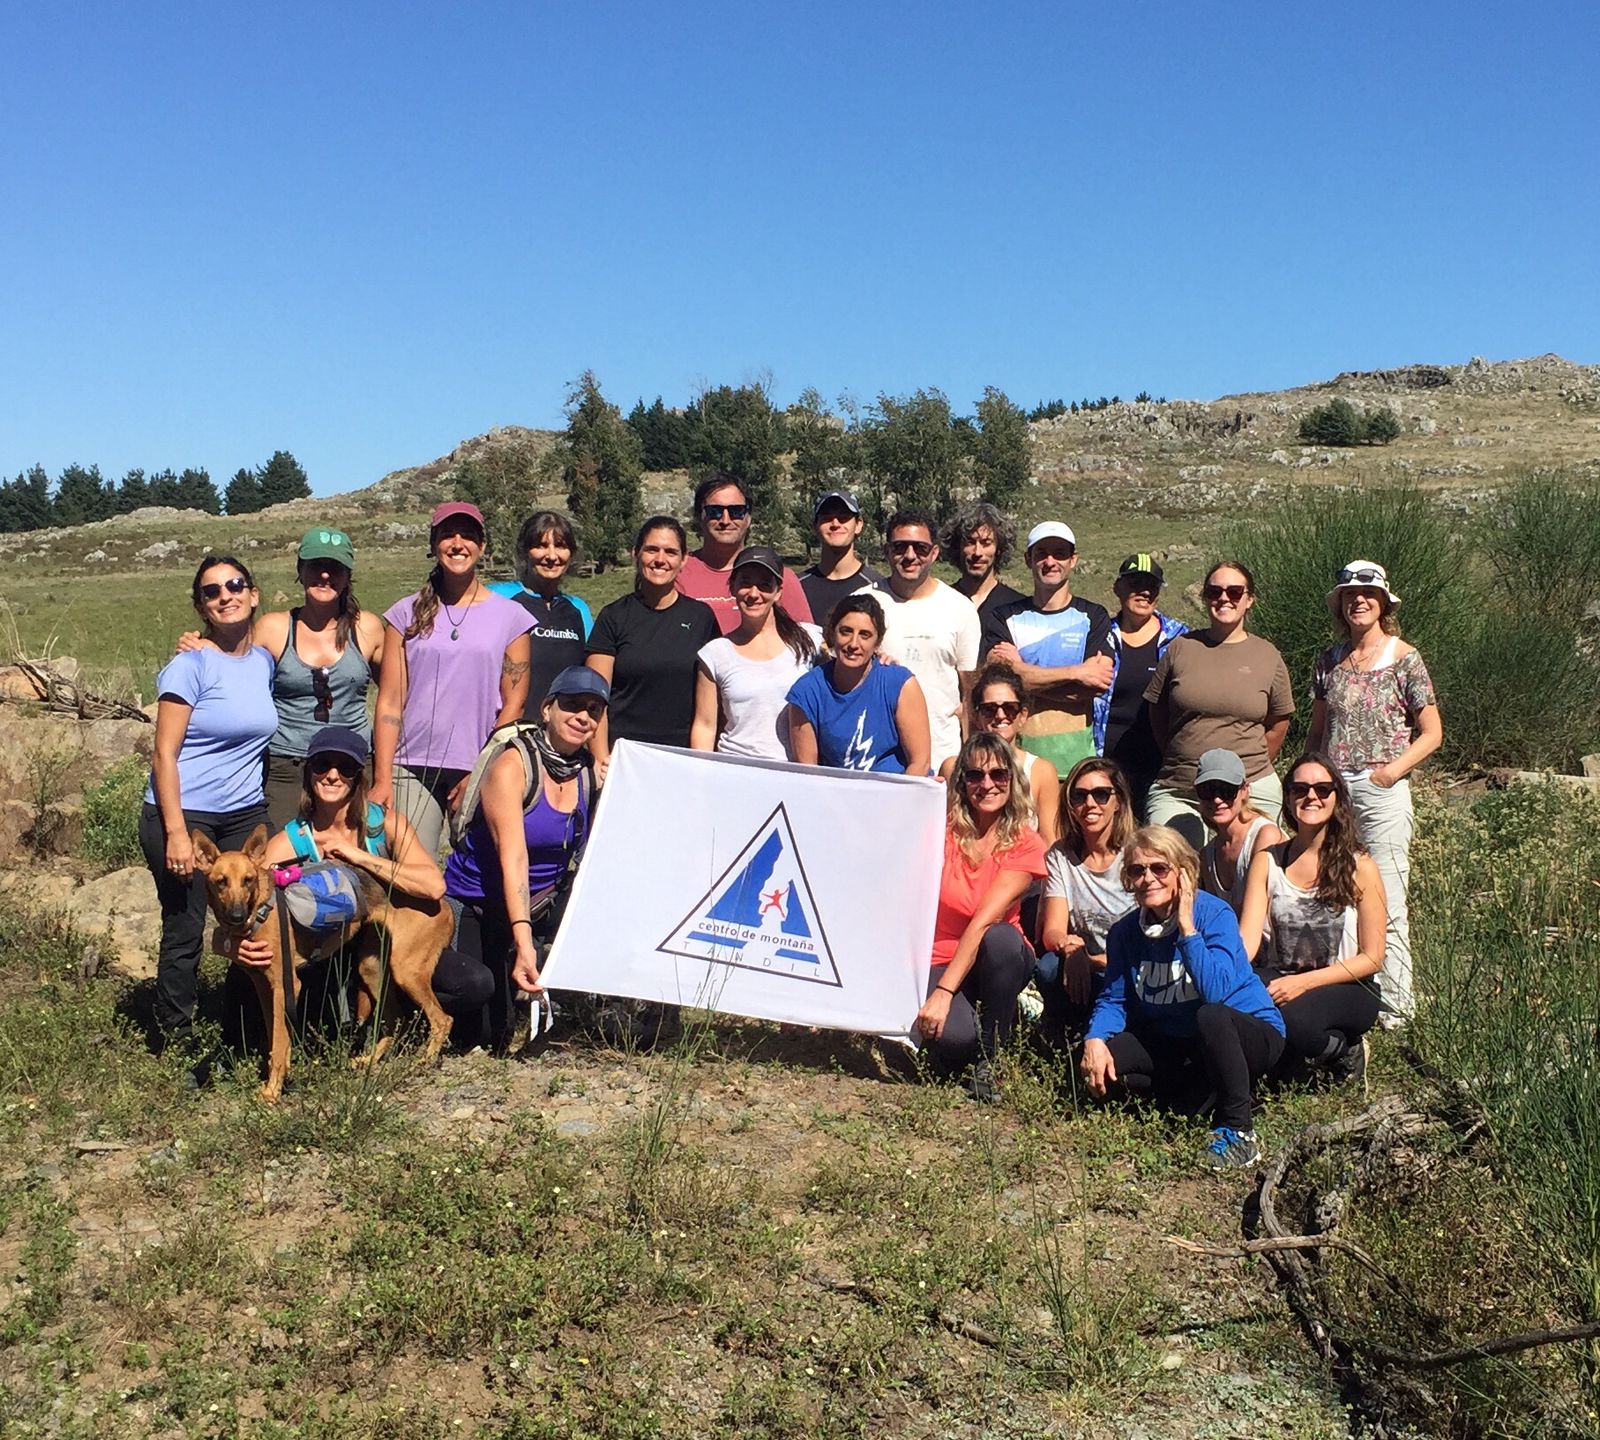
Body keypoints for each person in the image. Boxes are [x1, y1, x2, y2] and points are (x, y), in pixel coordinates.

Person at [238, 725, 494, 1036]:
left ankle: (402, 1015)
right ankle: (370, 1024)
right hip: (335, 952)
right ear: (309, 774)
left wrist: (360, 857)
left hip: (402, 936)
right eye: (322, 765)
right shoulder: (294, 838)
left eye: (345, 768)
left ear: (359, 778)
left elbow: (434, 886)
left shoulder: (384, 824)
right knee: (253, 982)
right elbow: (248, 895)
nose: (333, 775)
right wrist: (236, 945)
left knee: (473, 984)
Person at [1081, 826, 1286, 1168]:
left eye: (1159, 868)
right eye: (1137, 870)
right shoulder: (1124, 933)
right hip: (1180, 1040)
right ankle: (1198, 1095)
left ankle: (1239, 1131)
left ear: (1183, 872)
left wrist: (1188, 930)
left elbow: (1216, 993)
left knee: (1212, 1017)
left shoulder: (1214, 915)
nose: (1148, 878)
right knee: (1106, 1066)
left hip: (1247, 1032)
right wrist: (1095, 1039)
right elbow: (1114, 1000)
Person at [140, 556, 278, 1048]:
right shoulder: (189, 664)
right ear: (201, 605)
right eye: (211, 591)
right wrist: (177, 832)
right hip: (185, 813)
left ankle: (241, 1029)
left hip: (243, 813)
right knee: (186, 927)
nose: (226, 595)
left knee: (254, 917)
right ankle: (177, 1042)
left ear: (254, 593)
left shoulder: (262, 661)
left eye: (235, 585)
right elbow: (164, 752)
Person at [175, 526, 385, 828]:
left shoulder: (368, 628)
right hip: (288, 766)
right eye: (315, 567)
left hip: (351, 764)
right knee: (281, 861)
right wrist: (200, 643)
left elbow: (393, 700)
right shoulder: (273, 629)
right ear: (300, 570)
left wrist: (383, 776)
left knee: (355, 856)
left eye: (334, 568)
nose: (324, 576)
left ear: (348, 574)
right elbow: (233, 658)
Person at [1306, 560, 1440, 1026]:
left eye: (1367, 595)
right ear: (1340, 604)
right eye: (1349, 595)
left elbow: (1431, 732)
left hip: (1381, 793)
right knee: (1336, 891)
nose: (1358, 601)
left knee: (1386, 895)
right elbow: (1317, 731)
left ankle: (1398, 1007)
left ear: (1383, 603)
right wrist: (1308, 777)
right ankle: (1350, 997)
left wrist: (1390, 773)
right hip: (1332, 790)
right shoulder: (1329, 661)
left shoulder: (1404, 658)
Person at [443, 667, 605, 1050]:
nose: (582, 716)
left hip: (539, 904)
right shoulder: (511, 767)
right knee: (484, 1030)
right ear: (547, 709)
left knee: (506, 1031)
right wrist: (525, 940)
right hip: (479, 905)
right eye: (572, 705)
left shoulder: (588, 774)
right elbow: (513, 858)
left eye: (594, 710)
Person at [373, 502, 532, 856]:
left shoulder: (512, 618)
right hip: (411, 764)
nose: (458, 543)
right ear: (433, 544)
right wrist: (382, 778)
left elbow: (514, 704)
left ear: (482, 546)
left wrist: (480, 770)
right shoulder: (405, 614)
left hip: (480, 764)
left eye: (468, 536)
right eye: (448, 535)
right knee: (413, 875)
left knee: (480, 871)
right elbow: (389, 702)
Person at [1237, 754, 1386, 1079]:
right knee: (1236, 1005)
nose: (1311, 797)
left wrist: (1302, 983)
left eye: (1322, 789)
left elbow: (1372, 958)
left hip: (1347, 984)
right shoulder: (1268, 862)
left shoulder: (1360, 866)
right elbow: (1246, 944)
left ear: (1337, 797)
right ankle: (1285, 1066)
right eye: (1300, 789)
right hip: (1281, 975)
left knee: (1293, 1020)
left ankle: (1346, 1050)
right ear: (1288, 798)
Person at [918, 733, 1048, 1101]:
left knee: (1001, 937)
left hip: (997, 956)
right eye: (974, 775)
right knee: (956, 1039)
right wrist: (921, 800)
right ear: (962, 782)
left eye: (998, 774)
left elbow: (983, 921)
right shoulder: (938, 834)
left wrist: (943, 994)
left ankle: (994, 1055)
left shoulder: (1026, 842)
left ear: (1013, 779)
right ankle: (965, 1042)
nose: (987, 784)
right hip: (942, 954)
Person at [1143, 561, 1294, 848]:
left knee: (1256, 869)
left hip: (1249, 786)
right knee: (1168, 865)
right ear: (1205, 597)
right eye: (1215, 591)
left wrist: (1246, 765)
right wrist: (1181, 755)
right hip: (1181, 788)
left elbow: (1278, 722)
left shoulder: (1267, 655)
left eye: (1234, 591)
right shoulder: (1181, 648)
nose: (1224, 598)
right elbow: (1157, 710)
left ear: (1249, 599)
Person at [587, 517, 721, 770]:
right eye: (652, 550)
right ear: (636, 554)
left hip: (681, 759)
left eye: (671, 552)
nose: (660, 559)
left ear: (683, 560)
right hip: (624, 758)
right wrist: (599, 760)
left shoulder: (701, 617)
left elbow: (709, 707)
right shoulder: (613, 616)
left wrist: (702, 764)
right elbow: (595, 699)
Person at [981, 521, 1114, 776]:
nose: (1050, 561)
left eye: (1060, 554)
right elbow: (1000, 685)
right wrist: (1075, 673)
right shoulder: (1004, 617)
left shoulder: (1093, 616)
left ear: (1073, 560)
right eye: (1041, 553)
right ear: (1028, 559)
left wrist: (1022, 677)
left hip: (1076, 767)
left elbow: (1094, 686)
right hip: (1014, 764)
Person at [1037, 757, 1137, 1040]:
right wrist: (1070, 946)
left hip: (1131, 965)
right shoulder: (1060, 855)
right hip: (1085, 968)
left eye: (1101, 794)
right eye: (1079, 796)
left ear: (1118, 802)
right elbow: (1052, 930)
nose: (1090, 804)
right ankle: (1065, 1034)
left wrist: (1090, 960)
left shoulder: (1138, 853)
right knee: (1048, 968)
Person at [874, 507, 982, 768]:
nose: (910, 556)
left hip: (943, 756)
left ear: (934, 553)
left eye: (920, 548)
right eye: (900, 547)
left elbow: (969, 693)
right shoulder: (864, 603)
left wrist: (970, 758)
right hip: (878, 757)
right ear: (887, 551)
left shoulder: (960, 608)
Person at [691, 545, 818, 760]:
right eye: (745, 583)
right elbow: (705, 726)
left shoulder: (810, 639)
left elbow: (852, 662)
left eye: (764, 585)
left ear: (779, 591)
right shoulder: (714, 654)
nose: (754, 594)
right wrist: (699, 777)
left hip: (795, 772)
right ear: (732, 587)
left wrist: (882, 660)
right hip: (737, 772)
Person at [786, 594, 930, 774]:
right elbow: (808, 772)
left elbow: (920, 763)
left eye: (865, 635)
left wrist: (896, 801)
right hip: (837, 796)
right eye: (846, 631)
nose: (854, 643)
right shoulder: (807, 692)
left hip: (897, 792)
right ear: (832, 632)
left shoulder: (900, 683)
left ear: (877, 641)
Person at [1091, 554, 1188, 818]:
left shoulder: (1181, 639)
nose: (1144, 591)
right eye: (1135, 583)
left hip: (1161, 771)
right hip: (1106, 768)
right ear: (1117, 588)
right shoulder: (1099, 637)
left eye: (1152, 586)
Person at [486, 510, 595, 714]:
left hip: (559, 739)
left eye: (560, 546)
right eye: (541, 546)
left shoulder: (579, 610)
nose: (552, 556)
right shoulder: (498, 598)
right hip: (505, 733)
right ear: (525, 552)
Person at [939, 662, 1061, 845]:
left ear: (1023, 715)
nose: (1000, 715)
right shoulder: (952, 768)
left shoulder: (1041, 772)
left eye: (1010, 708)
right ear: (976, 716)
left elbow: (1050, 843)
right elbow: (943, 832)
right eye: (989, 709)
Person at [676, 472, 812, 634]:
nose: (725, 521)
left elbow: (807, 643)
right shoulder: (677, 572)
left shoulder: (779, 577)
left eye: (736, 511)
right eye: (714, 511)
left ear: (748, 517)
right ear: (699, 516)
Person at [1196, 747, 1284, 944]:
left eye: (1226, 791)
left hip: (1274, 951)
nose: (1217, 800)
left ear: (1244, 791)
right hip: (1236, 950)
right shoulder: (1207, 856)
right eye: (1207, 791)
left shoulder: (1265, 836)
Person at [798, 489, 887, 623]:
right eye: (827, 518)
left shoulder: (877, 588)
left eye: (843, 517)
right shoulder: (796, 587)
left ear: (858, 525)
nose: (835, 524)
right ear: (815, 526)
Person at [943, 501, 1026, 629]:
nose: (977, 552)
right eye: (969, 542)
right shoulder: (942, 602)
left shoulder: (1017, 608)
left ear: (999, 548)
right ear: (957, 547)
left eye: (986, 543)